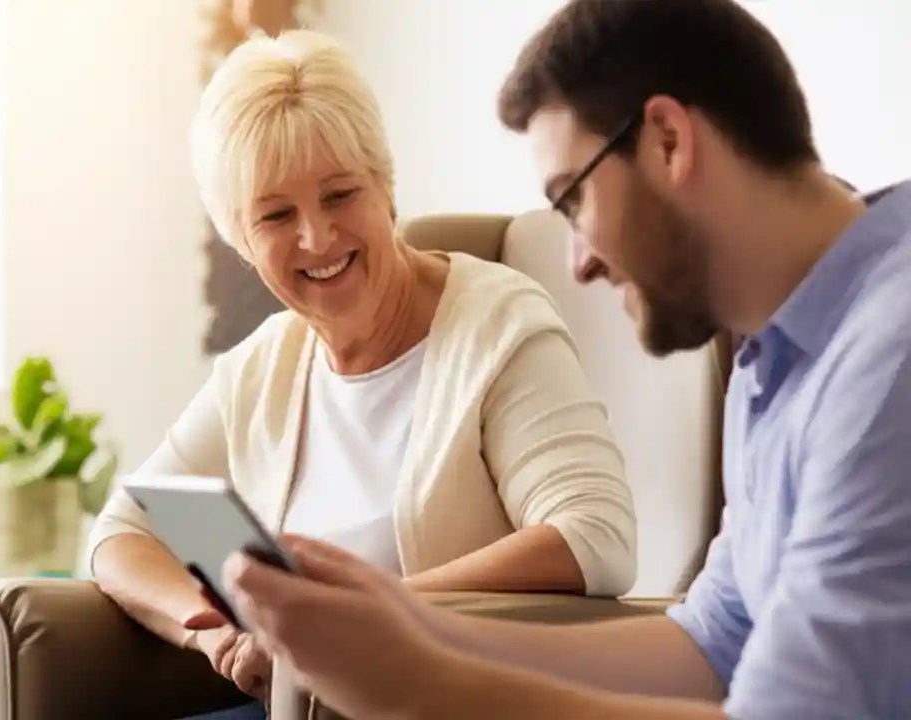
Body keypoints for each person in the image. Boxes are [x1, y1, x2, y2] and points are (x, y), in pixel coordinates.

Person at [208, 1, 911, 718]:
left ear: (668, 141)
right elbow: (710, 645)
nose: (577, 264)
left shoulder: (890, 362)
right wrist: (406, 624)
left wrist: (423, 688)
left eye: (571, 201)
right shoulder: (776, 358)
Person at [87, 29, 638, 718]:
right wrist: (215, 634)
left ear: (386, 188)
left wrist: (355, 618)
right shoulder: (268, 363)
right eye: (277, 215)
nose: (317, 238)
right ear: (241, 240)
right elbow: (120, 532)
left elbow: (594, 536)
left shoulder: (496, 324)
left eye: (341, 195)